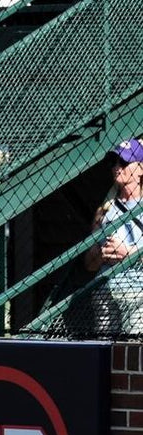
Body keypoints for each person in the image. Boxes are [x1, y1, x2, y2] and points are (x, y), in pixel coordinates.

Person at [83, 140, 143, 333]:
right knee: (104, 349)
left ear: (140, 168)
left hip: (137, 292)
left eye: (124, 163)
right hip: (104, 290)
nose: (118, 168)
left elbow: (128, 253)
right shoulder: (104, 210)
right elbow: (89, 263)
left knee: (132, 351)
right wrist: (102, 254)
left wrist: (128, 254)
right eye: (114, 162)